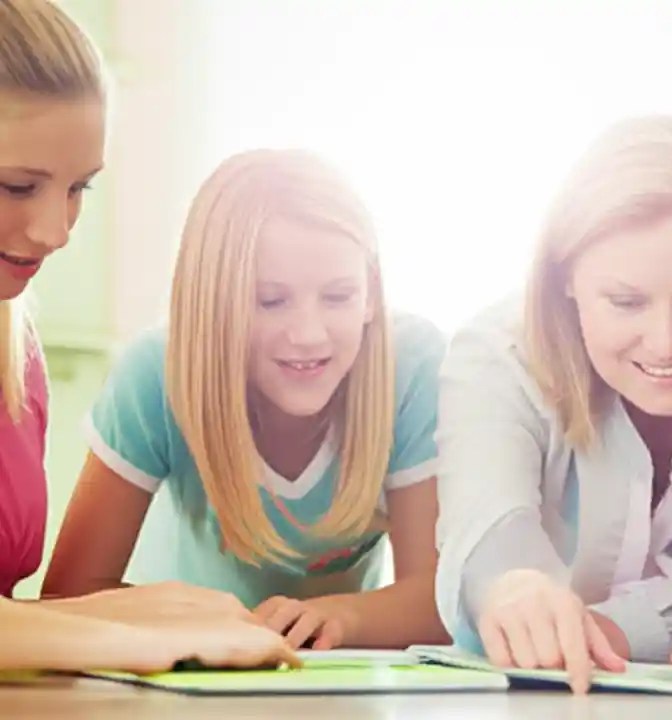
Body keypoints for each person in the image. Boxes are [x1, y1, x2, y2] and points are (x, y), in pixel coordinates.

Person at [434, 115, 672, 692]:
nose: (665, 342)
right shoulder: (497, 354)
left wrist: (582, 638)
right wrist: (516, 590)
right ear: (566, 278)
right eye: (625, 301)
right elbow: (486, 526)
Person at [43, 149, 451, 651]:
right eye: (270, 301)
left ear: (371, 295)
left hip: (335, 678)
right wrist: (196, 630)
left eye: (339, 296)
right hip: (179, 673)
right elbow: (67, 596)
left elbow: (441, 601)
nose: (308, 334)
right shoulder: (157, 372)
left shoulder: (410, 367)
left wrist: (340, 618)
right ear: (213, 302)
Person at [0, 0, 294, 671]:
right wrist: (136, 640)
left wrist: (117, 609)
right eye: (16, 186)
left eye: (79, 189)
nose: (55, 231)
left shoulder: (14, 349)